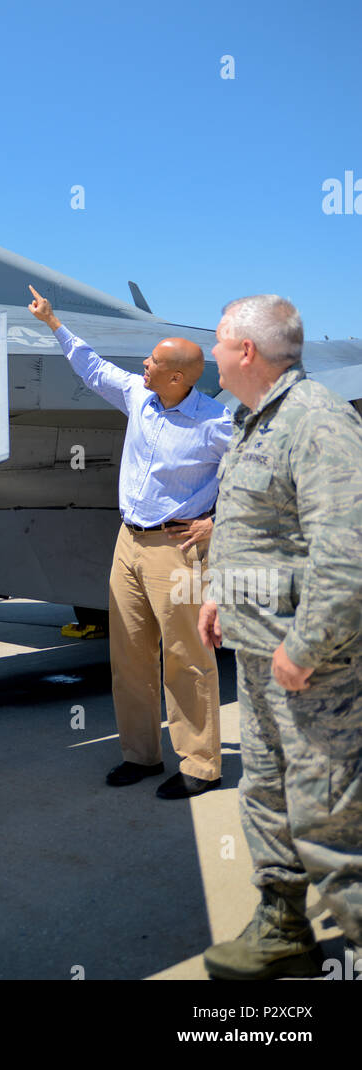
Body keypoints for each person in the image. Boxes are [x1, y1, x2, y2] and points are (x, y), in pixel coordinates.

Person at [199, 294, 362, 980]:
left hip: (311, 668)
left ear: (244, 352)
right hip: (256, 653)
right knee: (264, 794)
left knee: (328, 817)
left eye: (216, 341)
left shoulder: (315, 421)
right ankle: (281, 923)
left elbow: (346, 552)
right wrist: (215, 594)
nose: (209, 352)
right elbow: (251, 528)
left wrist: (305, 646)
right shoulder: (249, 421)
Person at [28, 284, 234, 798]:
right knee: (130, 657)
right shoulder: (139, 396)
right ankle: (140, 755)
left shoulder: (215, 422)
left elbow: (266, 474)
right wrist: (54, 323)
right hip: (129, 544)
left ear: (179, 377)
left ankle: (201, 765)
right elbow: (93, 368)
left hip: (178, 550)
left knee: (187, 657)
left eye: (153, 361)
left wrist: (219, 522)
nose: (143, 365)